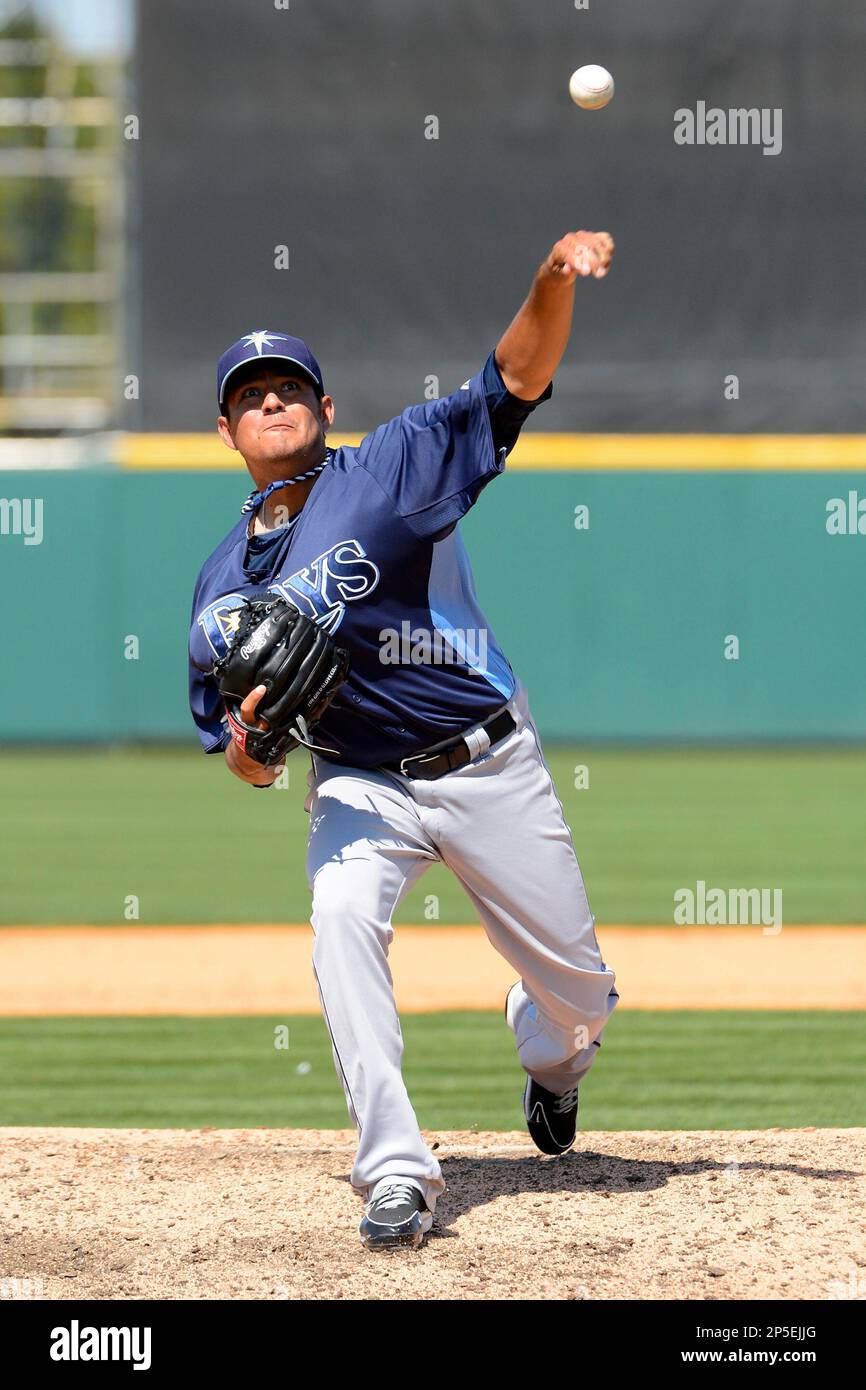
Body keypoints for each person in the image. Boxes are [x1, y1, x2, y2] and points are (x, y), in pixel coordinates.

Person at [188, 230, 619, 1252]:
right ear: (225, 428)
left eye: (288, 385)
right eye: (251, 394)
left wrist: (550, 280)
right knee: (338, 914)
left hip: (484, 756)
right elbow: (239, 759)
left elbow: (513, 379)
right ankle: (395, 1169)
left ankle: (549, 1055)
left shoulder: (392, 467)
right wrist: (256, 736)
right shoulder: (215, 597)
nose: (271, 401)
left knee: (577, 1000)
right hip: (359, 783)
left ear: (324, 408)